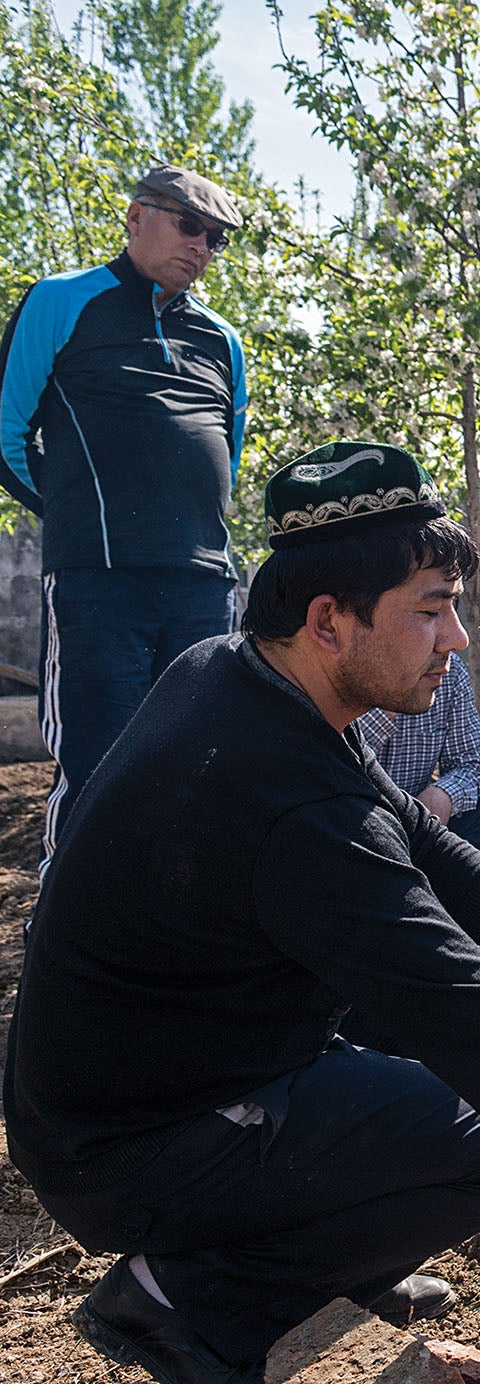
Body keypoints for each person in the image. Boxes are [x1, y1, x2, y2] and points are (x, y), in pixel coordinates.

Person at [3, 442, 480, 1384]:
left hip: (156, 1085)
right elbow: (468, 1015)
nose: (456, 638)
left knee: (447, 1088)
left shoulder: (239, 675)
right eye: (429, 609)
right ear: (328, 621)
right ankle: (183, 1299)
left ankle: (308, 1275)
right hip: (133, 1144)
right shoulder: (291, 802)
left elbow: (417, 835)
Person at [0, 165, 247, 866]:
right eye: (189, 224)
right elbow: (7, 435)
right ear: (136, 217)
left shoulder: (223, 339)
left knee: (194, 765)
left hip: (203, 586)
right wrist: (78, 513)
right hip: (99, 581)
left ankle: (168, 920)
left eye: (216, 238)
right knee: (98, 766)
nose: (201, 245)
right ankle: (66, 917)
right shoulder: (60, 301)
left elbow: (227, 453)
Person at [356, 651, 480, 862]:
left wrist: (445, 794)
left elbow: (472, 764)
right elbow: (328, 754)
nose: (460, 640)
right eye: (428, 618)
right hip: (354, 821)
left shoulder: (449, 670)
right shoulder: (351, 663)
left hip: (415, 824)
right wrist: (388, 704)